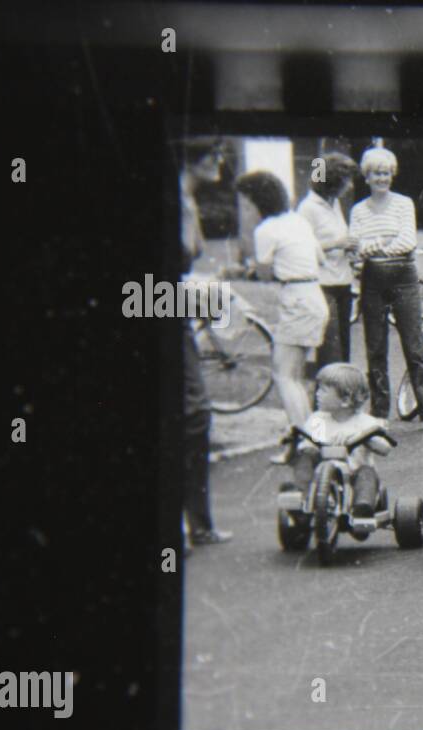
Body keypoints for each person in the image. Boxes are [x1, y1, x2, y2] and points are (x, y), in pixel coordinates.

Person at [350, 145, 423, 429]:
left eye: (386, 173)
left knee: (414, 345)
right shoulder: (358, 210)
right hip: (372, 280)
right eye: (376, 173)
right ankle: (379, 413)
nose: (382, 178)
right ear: (367, 177)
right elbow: (354, 247)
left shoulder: (403, 204)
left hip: (404, 277)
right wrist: (376, 246)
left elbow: (407, 241)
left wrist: (373, 247)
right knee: (375, 347)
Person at [231, 170, 328, 435]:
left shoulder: (265, 230)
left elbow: (263, 275)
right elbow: (320, 258)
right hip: (313, 296)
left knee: (284, 375)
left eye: (247, 202)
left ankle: (304, 438)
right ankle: (308, 435)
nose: (246, 209)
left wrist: (253, 268)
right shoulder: (297, 220)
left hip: (296, 300)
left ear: (256, 201)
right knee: (294, 376)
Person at [179, 137, 232, 545]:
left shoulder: (187, 197)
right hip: (153, 307)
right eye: (213, 154)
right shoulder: (174, 199)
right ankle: (189, 522)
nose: (221, 160)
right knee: (192, 412)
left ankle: (198, 522)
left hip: (167, 306)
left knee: (194, 414)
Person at [285, 363, 393, 524]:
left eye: (323, 390)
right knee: (305, 457)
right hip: (320, 479)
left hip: (353, 475)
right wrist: (296, 439)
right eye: (318, 389)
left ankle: (362, 508)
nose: (317, 394)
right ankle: (300, 496)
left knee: (367, 473)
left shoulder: (364, 422)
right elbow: (306, 446)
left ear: (345, 399)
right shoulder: (318, 420)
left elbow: (385, 448)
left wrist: (366, 438)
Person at [297, 152, 359, 375]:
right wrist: (337, 243)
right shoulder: (308, 208)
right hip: (323, 286)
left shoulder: (334, 204)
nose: (350, 186)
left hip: (343, 283)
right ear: (332, 182)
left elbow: (340, 242)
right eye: (346, 180)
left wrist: (350, 251)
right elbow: (301, 248)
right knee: (331, 352)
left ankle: (337, 402)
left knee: (343, 350)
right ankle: (325, 404)